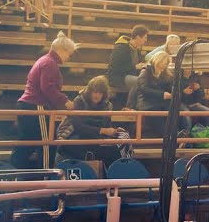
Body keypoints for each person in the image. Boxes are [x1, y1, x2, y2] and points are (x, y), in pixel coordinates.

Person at [11, 32, 78, 169]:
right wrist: (65, 101)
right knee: (47, 143)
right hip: (36, 106)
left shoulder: (45, 60)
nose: (69, 57)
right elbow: (48, 88)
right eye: (69, 54)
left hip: (28, 105)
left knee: (28, 141)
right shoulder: (49, 63)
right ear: (63, 50)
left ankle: (13, 169)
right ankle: (46, 174)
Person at [54, 76, 124, 166]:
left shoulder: (107, 105)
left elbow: (107, 125)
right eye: (95, 91)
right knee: (73, 146)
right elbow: (78, 127)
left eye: (100, 93)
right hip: (73, 134)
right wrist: (103, 131)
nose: (97, 95)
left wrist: (112, 131)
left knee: (114, 149)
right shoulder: (79, 101)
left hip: (95, 138)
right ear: (90, 91)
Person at [134, 50, 176, 138]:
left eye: (167, 63)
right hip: (147, 103)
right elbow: (144, 89)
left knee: (175, 110)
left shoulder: (165, 74)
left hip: (160, 103)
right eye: (164, 62)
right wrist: (162, 94)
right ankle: (169, 138)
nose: (165, 65)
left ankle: (174, 137)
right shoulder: (146, 71)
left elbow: (169, 86)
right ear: (158, 60)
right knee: (159, 117)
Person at [107, 25, 149, 109]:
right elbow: (115, 67)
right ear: (137, 37)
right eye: (145, 37)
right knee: (139, 82)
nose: (146, 40)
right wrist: (135, 67)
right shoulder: (121, 48)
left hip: (129, 75)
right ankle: (130, 107)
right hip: (118, 77)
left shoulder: (137, 49)